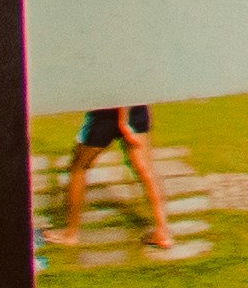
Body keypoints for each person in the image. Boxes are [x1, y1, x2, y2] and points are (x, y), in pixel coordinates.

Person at [52, 101, 185, 256]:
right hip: (136, 109)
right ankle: (163, 233)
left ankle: (70, 234)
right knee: (146, 170)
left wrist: (122, 121)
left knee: (78, 167)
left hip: (108, 114)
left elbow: (117, 85)